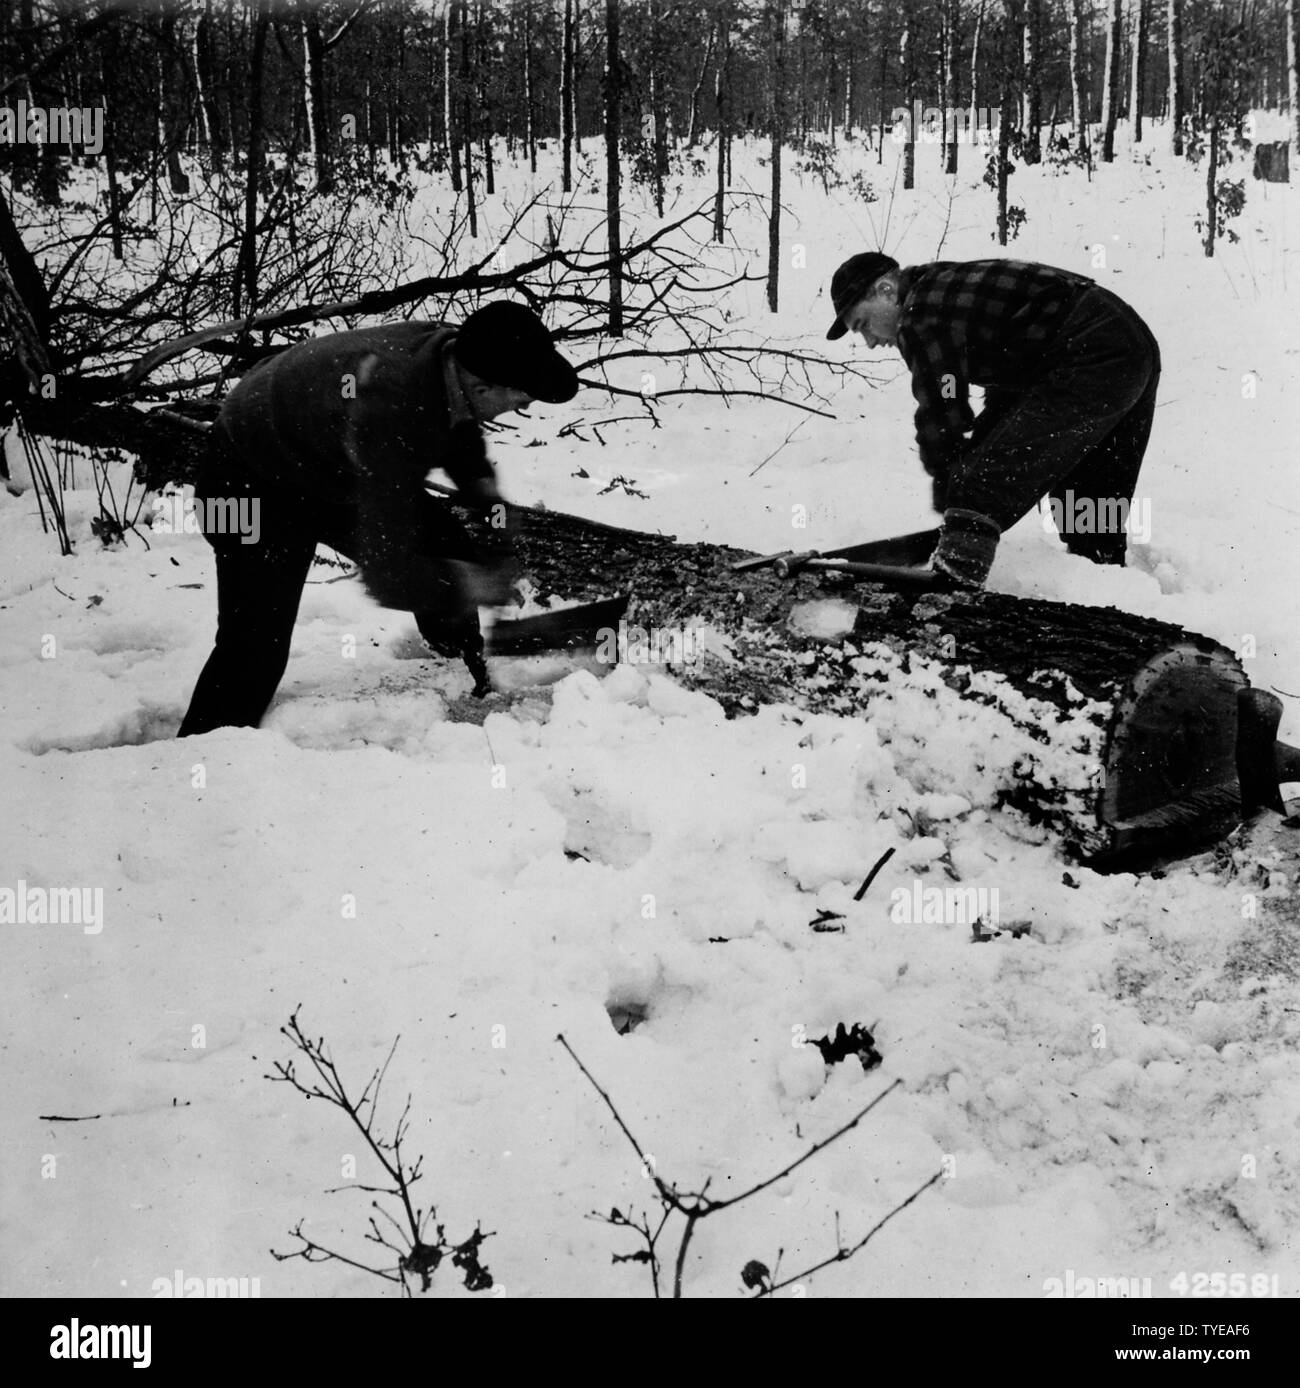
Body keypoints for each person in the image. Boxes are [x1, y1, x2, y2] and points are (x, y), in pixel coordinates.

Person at [177, 300, 579, 737]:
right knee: (256, 645)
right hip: (246, 479)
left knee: (444, 540)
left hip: (323, 455)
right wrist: (473, 583)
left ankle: (463, 671)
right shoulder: (389, 404)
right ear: (484, 388)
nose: (518, 409)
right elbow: (389, 573)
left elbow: (461, 438)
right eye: (519, 400)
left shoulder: (451, 354)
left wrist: (493, 513)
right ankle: (199, 759)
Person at [825, 253, 1161, 588]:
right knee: (1090, 502)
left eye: (863, 324)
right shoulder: (944, 287)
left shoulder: (920, 313)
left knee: (981, 480)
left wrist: (957, 488)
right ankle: (1107, 590)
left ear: (885, 290)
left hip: (1088, 348)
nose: (869, 341)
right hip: (1129, 343)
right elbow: (1010, 389)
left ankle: (953, 585)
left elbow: (942, 405)